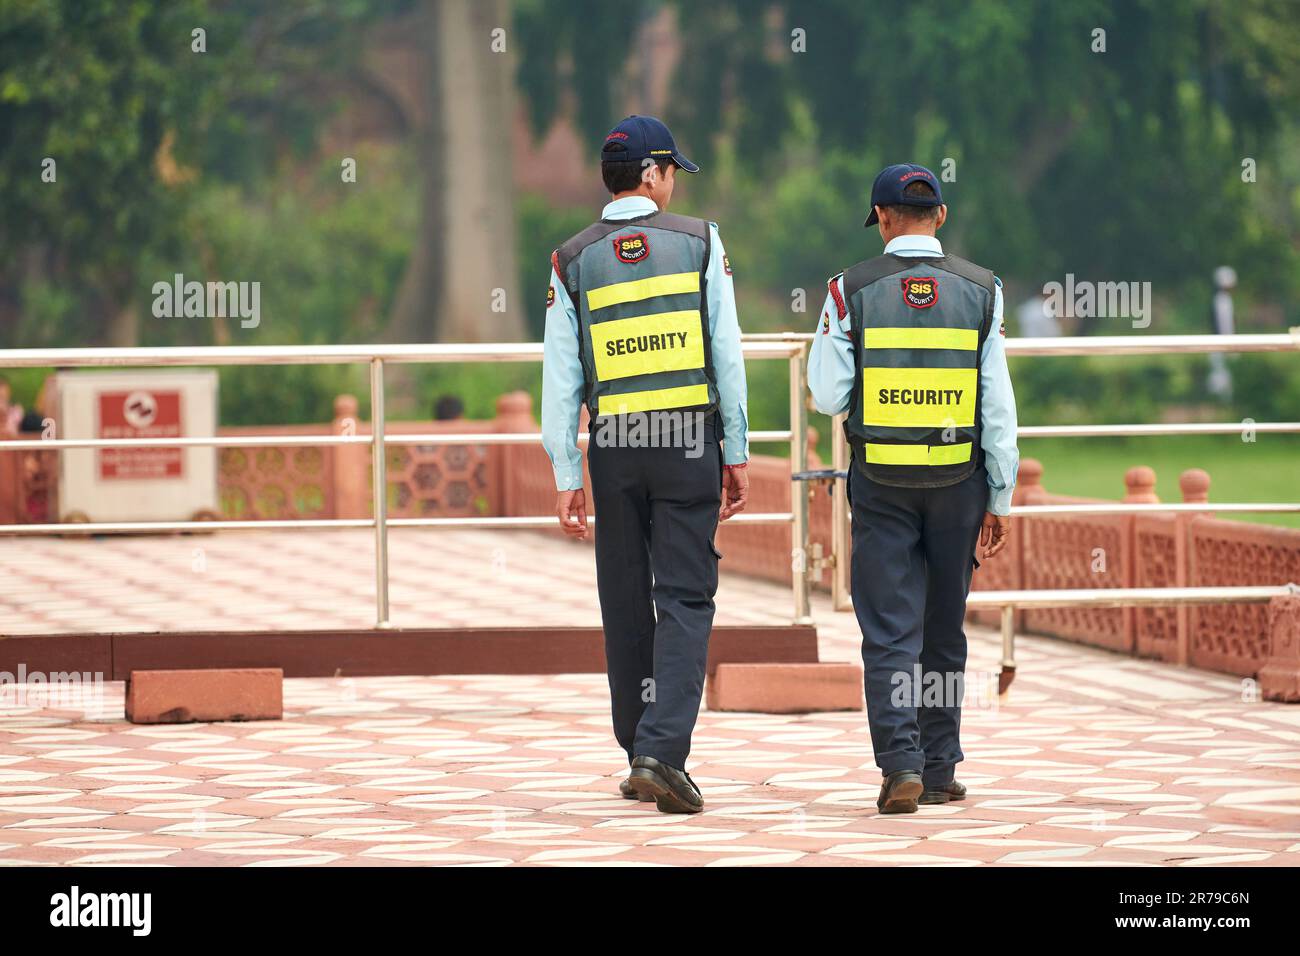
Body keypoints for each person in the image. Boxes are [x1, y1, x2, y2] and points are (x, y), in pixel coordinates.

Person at [541, 115, 750, 814]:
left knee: (625, 597)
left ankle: (639, 749)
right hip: (689, 440)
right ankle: (662, 751)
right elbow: (726, 350)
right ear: (654, 174)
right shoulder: (699, 241)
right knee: (686, 597)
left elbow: (561, 377)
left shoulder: (572, 258)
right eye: (671, 172)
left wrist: (567, 473)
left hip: (617, 444)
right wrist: (738, 449)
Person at [808, 163, 1019, 814]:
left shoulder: (850, 290)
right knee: (942, 628)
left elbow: (826, 394)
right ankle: (938, 768)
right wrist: (1001, 493)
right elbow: (998, 405)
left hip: (881, 480)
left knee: (889, 628)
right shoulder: (983, 290)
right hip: (960, 481)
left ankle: (898, 762)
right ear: (941, 217)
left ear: (884, 218)